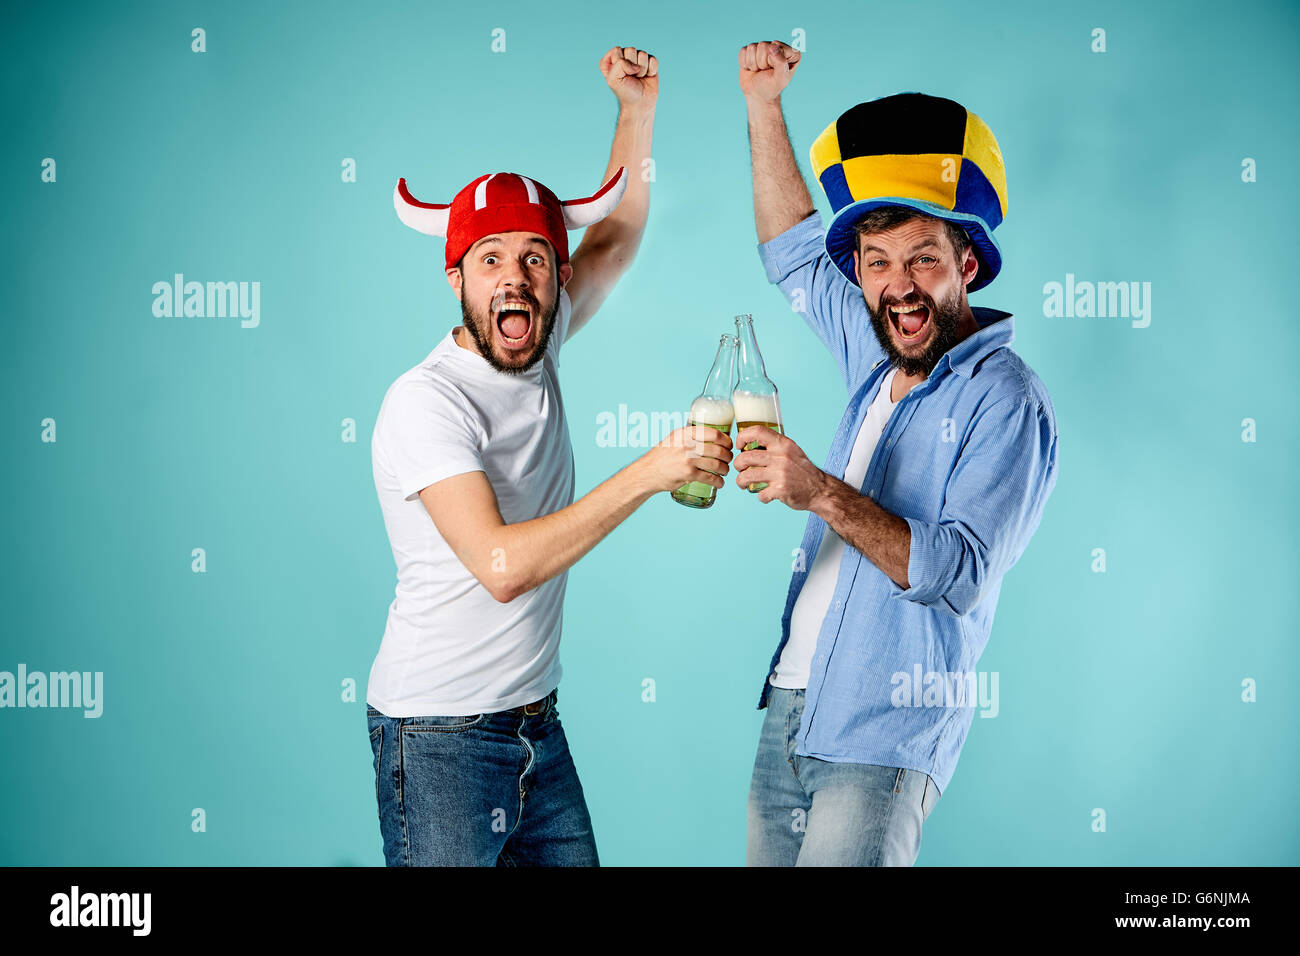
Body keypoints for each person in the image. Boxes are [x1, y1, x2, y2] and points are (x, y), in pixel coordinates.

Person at [366, 46, 732, 866]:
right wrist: (652, 471)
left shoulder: (539, 338)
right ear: (455, 278)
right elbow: (501, 566)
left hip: (537, 725)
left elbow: (619, 233)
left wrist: (635, 110)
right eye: (490, 259)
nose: (515, 279)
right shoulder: (426, 401)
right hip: (437, 740)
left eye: (534, 259)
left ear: (555, 278)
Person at [735, 40, 1059, 866]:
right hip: (791, 708)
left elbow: (956, 572)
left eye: (923, 256)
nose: (898, 283)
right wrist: (764, 104)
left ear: (968, 265)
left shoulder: (1005, 396)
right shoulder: (878, 351)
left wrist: (820, 492)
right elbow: (794, 252)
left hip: (883, 732)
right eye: (877, 263)